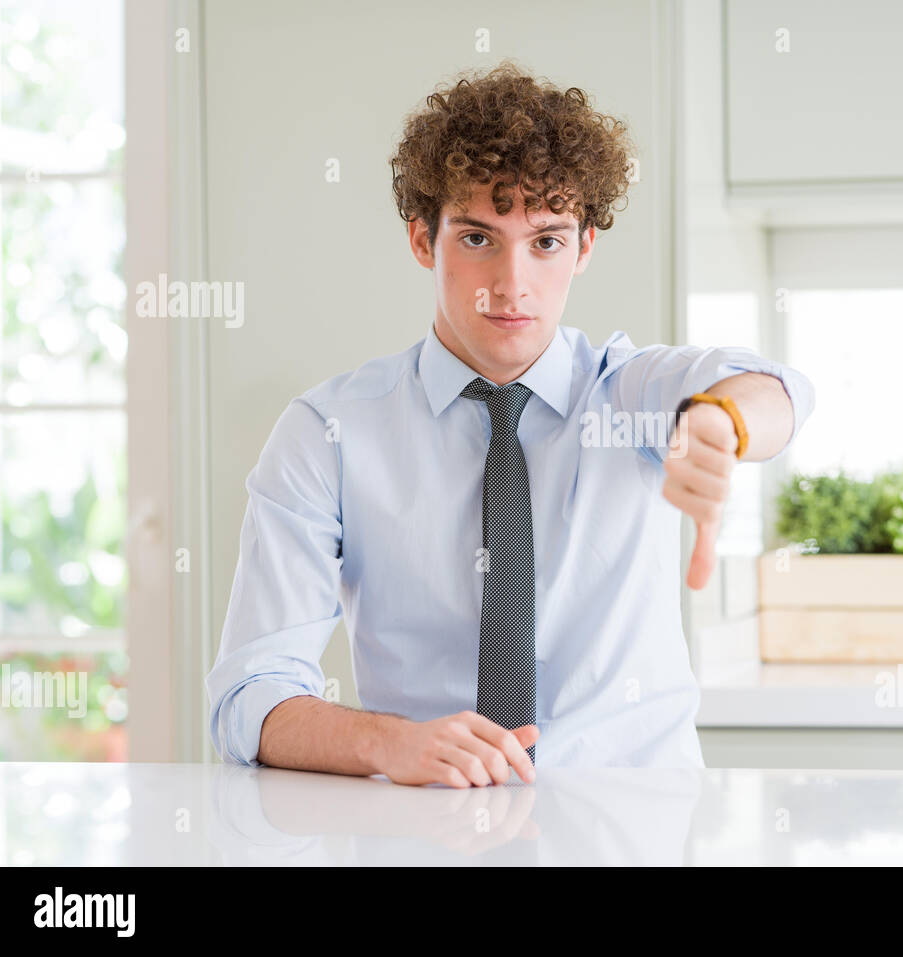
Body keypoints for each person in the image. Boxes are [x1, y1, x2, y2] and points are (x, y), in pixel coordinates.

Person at [205, 61, 815, 787]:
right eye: (477, 239)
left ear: (584, 248)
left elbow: (778, 391)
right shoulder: (326, 433)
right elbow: (249, 700)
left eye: (547, 241)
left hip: (636, 828)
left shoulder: (630, 395)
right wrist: (389, 743)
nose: (512, 283)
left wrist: (721, 422)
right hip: (425, 831)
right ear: (422, 241)